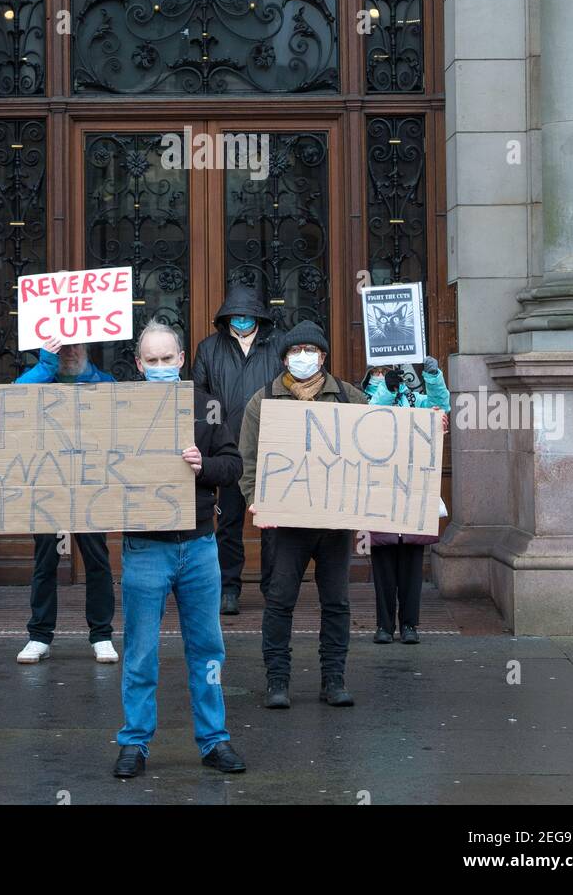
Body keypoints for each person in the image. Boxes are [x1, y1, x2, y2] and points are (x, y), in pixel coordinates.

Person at [113, 319, 246, 778]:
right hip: (145, 548)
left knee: (208, 648)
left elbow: (233, 466)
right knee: (141, 651)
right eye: (151, 361)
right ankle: (134, 742)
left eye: (167, 359)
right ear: (138, 364)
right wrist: (7, 469)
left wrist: (202, 464)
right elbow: (72, 460)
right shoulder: (118, 410)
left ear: (181, 359)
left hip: (198, 547)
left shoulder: (207, 407)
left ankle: (214, 740)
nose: (160, 366)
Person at [238, 321, 367, 710]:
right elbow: (247, 460)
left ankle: (334, 680)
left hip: (334, 524)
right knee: (279, 602)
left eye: (310, 351)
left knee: (336, 602)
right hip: (285, 524)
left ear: (323, 357)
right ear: (284, 359)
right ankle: (277, 681)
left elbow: (383, 442)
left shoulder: (350, 398)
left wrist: (432, 419)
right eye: (295, 352)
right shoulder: (263, 401)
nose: (303, 358)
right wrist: (254, 500)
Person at [0, 335, 119, 665]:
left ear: (88, 348)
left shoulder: (104, 382)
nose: (69, 352)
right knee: (45, 562)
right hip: (46, 485)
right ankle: (39, 635)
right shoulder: (38, 378)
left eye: (75, 345)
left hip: (89, 485)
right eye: (61, 347)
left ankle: (102, 635)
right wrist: (46, 364)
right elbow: (10, 402)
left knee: (97, 561)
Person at [191, 284, 282, 615]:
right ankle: (228, 589)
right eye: (235, 316)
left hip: (268, 450)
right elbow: (200, 397)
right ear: (226, 317)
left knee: (271, 525)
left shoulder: (277, 347)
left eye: (247, 315)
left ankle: (274, 588)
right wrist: (215, 435)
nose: (241, 320)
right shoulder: (209, 349)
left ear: (259, 317)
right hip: (228, 451)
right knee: (227, 525)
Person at [362, 355, 451, 645]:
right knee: (383, 565)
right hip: (381, 491)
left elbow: (442, 405)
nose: (382, 375)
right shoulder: (366, 399)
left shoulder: (418, 400)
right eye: (377, 371)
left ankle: (410, 625)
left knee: (412, 565)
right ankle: (384, 626)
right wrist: (387, 388)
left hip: (414, 489)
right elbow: (372, 415)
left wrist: (434, 376)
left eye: (386, 371)